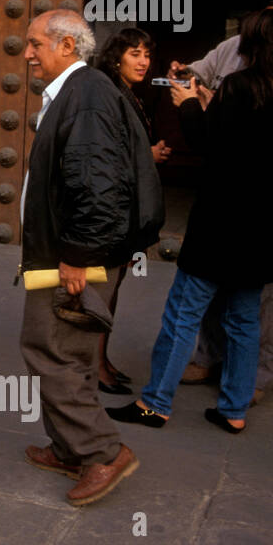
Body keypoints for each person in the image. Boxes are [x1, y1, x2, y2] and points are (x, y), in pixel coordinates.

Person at [110, 8, 273, 435]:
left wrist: (190, 106)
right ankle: (234, 409)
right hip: (265, 226)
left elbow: (213, 146)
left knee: (183, 313)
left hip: (223, 224)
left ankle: (155, 404)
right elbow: (263, 151)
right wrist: (211, 107)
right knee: (244, 320)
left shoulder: (242, 87)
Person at [19, 9, 162, 507]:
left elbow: (98, 187)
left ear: (65, 47)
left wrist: (77, 257)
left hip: (75, 256)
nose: (28, 53)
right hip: (63, 252)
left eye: (36, 43)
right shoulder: (82, 92)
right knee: (71, 351)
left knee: (50, 348)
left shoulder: (85, 95)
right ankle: (69, 448)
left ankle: (102, 451)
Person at [173, 0, 273, 405]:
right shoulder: (233, 52)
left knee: (259, 288)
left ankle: (255, 374)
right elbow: (200, 71)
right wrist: (187, 77)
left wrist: (208, 114)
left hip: (269, 190)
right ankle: (209, 357)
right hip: (225, 183)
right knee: (214, 274)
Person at [90, 28, 169, 395]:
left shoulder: (127, 92)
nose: (142, 61)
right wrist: (146, 156)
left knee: (114, 288)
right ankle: (93, 366)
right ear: (116, 55)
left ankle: (101, 359)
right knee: (102, 291)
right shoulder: (108, 91)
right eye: (135, 53)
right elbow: (101, 153)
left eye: (147, 55)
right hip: (111, 212)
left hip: (125, 212)